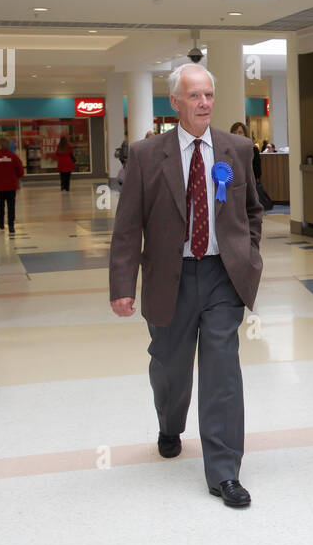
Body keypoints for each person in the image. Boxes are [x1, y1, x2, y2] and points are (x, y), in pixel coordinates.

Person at [109, 63, 264, 508]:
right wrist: (123, 284)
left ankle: (224, 472)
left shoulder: (237, 148)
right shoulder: (145, 155)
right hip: (169, 278)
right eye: (194, 96)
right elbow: (127, 227)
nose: (204, 104)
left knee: (222, 372)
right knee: (170, 367)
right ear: (174, 101)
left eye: (209, 96)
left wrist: (247, 256)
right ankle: (169, 422)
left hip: (221, 275)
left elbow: (253, 209)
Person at [0, 136, 24, 233]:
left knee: (0, 204)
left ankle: (1, 223)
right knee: (11, 206)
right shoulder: (14, 157)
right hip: (11, 185)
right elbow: (20, 172)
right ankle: (11, 225)